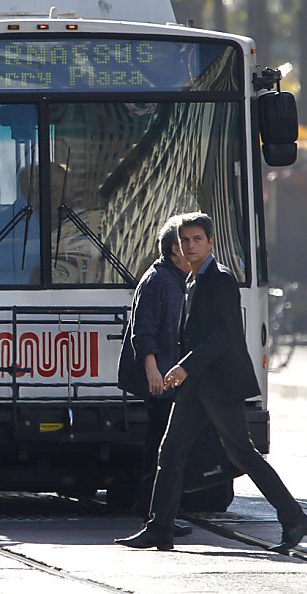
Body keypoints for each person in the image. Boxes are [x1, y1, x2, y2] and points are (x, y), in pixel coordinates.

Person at [117, 213, 307, 552]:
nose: (190, 246)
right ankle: (160, 528)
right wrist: (186, 370)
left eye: (197, 239)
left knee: (241, 452)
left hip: (219, 383)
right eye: (184, 240)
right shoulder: (193, 279)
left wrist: (184, 367)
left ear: (211, 243)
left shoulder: (219, 279)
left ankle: (293, 517)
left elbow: (222, 335)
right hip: (198, 384)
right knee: (171, 450)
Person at [116, 215, 193, 537]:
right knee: (163, 446)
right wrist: (152, 371)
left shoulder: (178, 278)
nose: (193, 249)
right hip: (161, 379)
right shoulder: (158, 280)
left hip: (170, 377)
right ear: (176, 249)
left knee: (163, 444)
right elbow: (143, 330)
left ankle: (152, 508)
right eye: (188, 242)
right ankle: (155, 512)